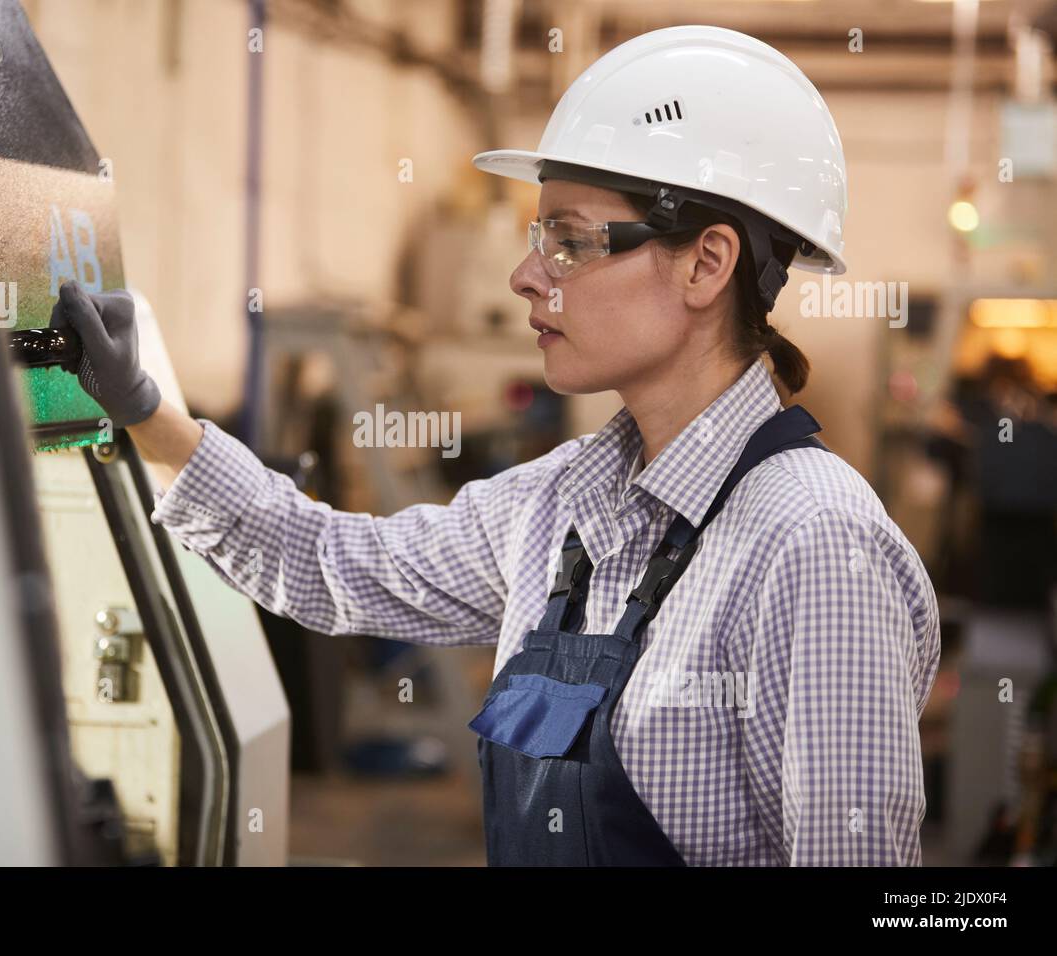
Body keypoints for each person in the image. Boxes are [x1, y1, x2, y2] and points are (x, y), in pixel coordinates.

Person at [50, 25, 940, 866]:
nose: (526, 275)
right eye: (536, 236)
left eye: (571, 241)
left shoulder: (815, 547)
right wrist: (144, 410)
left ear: (707, 265)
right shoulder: (562, 506)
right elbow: (328, 562)